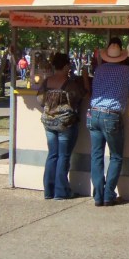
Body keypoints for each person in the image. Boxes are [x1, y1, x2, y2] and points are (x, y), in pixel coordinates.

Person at [88, 37, 129, 207]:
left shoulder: (99, 70)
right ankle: (109, 194)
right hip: (112, 115)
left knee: (96, 155)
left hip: (94, 113)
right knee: (116, 156)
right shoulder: (127, 72)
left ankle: (98, 195)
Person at [37, 53, 87, 200]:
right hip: (66, 123)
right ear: (65, 66)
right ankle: (61, 191)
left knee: (52, 155)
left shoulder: (46, 82)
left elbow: (40, 100)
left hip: (49, 123)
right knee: (63, 156)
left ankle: (48, 190)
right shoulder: (70, 84)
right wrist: (84, 78)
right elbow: (83, 95)